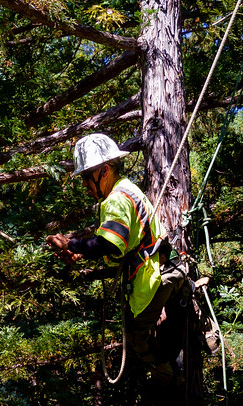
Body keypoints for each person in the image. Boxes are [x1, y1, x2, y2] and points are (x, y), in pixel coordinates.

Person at [46, 133, 188, 381]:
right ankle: (189, 339)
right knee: (166, 324)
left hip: (155, 277)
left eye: (86, 177)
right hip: (169, 268)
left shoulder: (116, 199)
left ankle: (171, 376)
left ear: (104, 170)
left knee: (137, 336)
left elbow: (110, 245)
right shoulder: (127, 189)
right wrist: (79, 252)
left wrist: (71, 244)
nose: (85, 185)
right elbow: (122, 242)